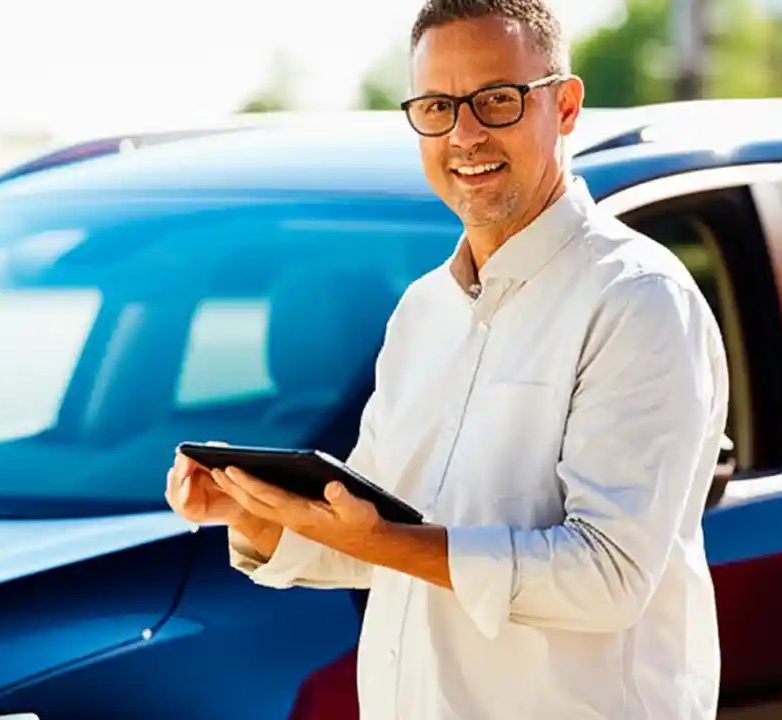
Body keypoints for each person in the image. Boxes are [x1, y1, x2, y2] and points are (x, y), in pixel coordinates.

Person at [164, 1, 728, 717]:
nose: (464, 134)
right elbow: (380, 536)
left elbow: (607, 577)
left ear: (565, 105)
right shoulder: (423, 312)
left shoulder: (638, 300)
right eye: (437, 105)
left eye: (496, 100)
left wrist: (388, 541)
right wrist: (256, 514)